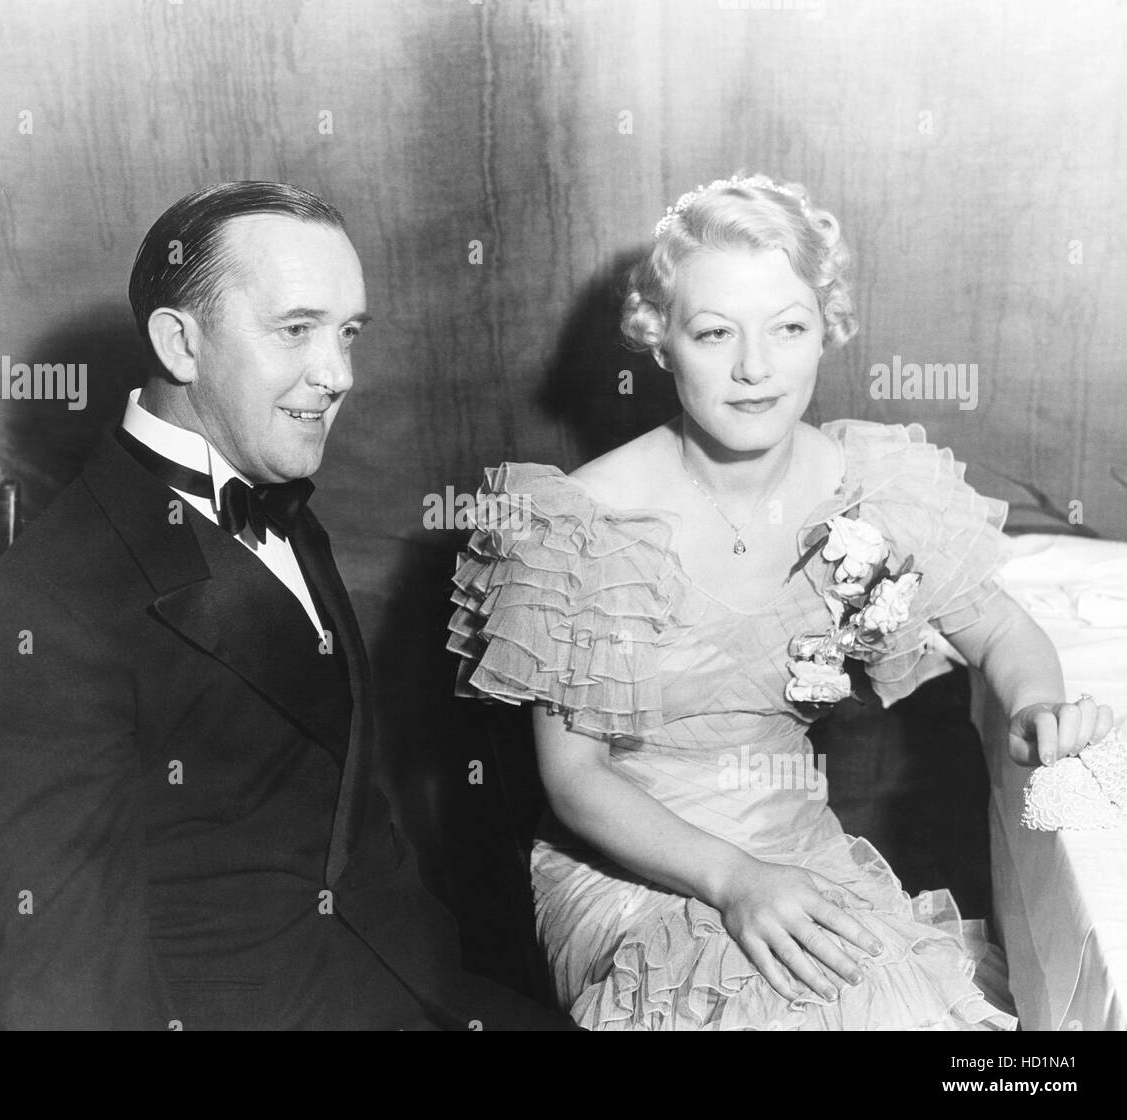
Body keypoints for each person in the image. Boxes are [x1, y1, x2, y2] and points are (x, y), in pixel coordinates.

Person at [449, 173, 1117, 1030]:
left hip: (796, 853)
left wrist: (1036, 706)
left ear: (825, 331)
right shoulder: (583, 520)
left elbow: (1003, 634)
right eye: (715, 332)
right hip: (636, 874)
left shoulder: (870, 486)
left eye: (788, 327)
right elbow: (576, 782)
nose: (755, 367)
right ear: (661, 342)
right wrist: (735, 883)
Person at [0, 181, 570, 1030]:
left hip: (404, 980)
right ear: (179, 343)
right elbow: (63, 974)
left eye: (349, 333)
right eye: (295, 330)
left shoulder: (278, 502)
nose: (338, 374)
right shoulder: (40, 611)